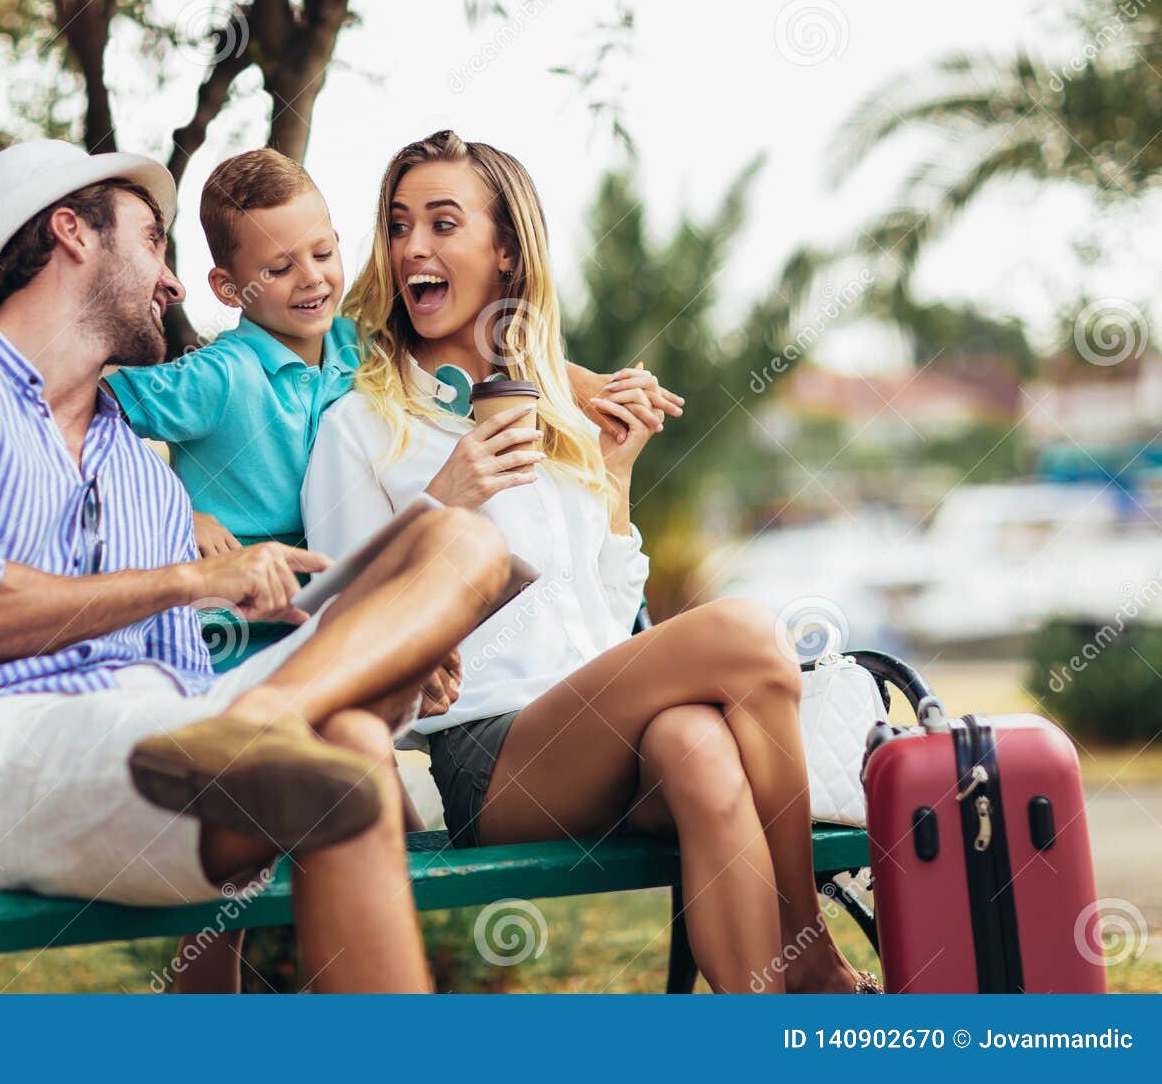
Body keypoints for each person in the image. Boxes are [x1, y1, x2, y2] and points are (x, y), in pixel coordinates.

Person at [0, 138, 512, 993]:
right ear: (71, 232)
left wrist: (387, 650)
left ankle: (272, 723)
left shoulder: (142, 474)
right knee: (331, 754)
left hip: (173, 734)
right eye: (151, 241)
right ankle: (267, 730)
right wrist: (193, 578)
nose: (174, 283)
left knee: (454, 552)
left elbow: (188, 678)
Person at [300, 129, 880, 994]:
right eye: (399, 224)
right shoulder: (362, 425)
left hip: (609, 739)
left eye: (443, 224)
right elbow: (338, 625)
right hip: (495, 761)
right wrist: (446, 497)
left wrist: (614, 478)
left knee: (697, 748)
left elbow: (605, 619)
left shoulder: (560, 417)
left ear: (506, 252)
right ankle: (813, 950)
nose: (412, 246)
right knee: (745, 633)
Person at [103, 149, 358, 555]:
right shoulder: (219, 374)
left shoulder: (361, 346)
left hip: (340, 568)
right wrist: (172, 511)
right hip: (233, 582)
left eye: (323, 253)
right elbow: (83, 408)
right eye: (279, 269)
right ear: (229, 288)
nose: (312, 277)